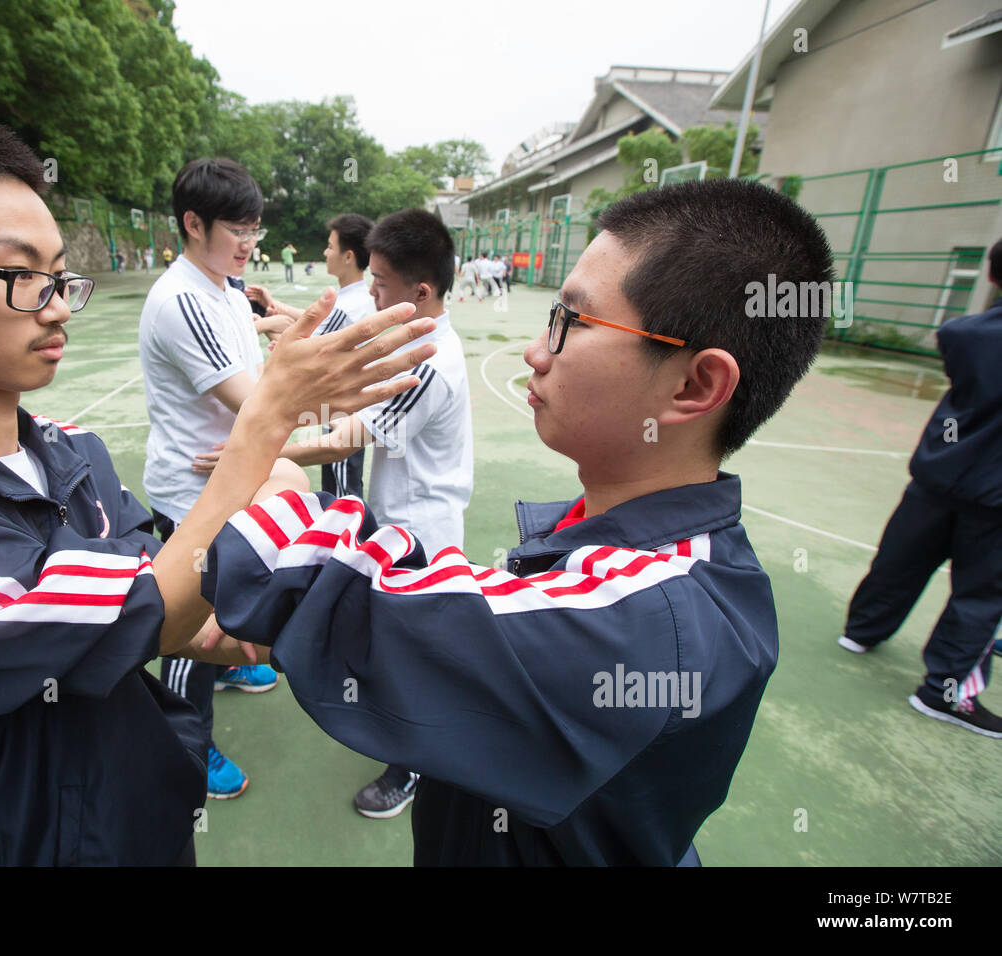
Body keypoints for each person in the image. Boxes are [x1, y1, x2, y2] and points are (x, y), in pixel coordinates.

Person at [0, 113, 437, 866]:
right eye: (19, 275)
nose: (54, 305)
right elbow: (141, 613)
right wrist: (269, 424)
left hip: (141, 822)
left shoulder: (68, 449)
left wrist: (305, 632)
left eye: (58, 276)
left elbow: (176, 614)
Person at [202, 179, 836, 864]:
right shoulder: (653, 559)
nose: (537, 351)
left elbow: (330, 594)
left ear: (693, 386)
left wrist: (268, 447)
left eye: (573, 322)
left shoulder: (635, 622)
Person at [266, 209, 474, 818]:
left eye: (380, 283)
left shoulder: (429, 359)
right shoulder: (417, 341)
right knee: (396, 642)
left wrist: (259, 445)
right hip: (403, 523)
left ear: (422, 292)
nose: (371, 293)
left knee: (413, 653)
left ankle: (412, 767)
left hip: (422, 535)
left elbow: (344, 439)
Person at [138, 158, 283, 798]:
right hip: (191, 493)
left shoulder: (223, 286)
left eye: (255, 228)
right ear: (193, 224)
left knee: (223, 600)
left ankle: (224, 670)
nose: (249, 242)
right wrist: (305, 403)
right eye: (237, 229)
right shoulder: (182, 300)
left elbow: (258, 390)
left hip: (225, 480)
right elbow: (257, 405)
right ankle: (182, 745)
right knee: (184, 632)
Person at [838, 238, 1002, 737]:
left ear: (991, 276)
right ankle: (945, 693)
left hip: (941, 469)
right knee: (980, 595)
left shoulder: (961, 332)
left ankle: (861, 632)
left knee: (900, 559)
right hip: (995, 493)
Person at [246, 213, 377, 499]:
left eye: (330, 247)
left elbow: (307, 341)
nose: (325, 252)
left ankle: (350, 539)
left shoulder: (350, 306)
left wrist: (263, 325)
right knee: (339, 484)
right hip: (341, 407)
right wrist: (274, 309)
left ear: (348, 256)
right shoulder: (352, 299)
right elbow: (311, 322)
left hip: (345, 411)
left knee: (345, 494)